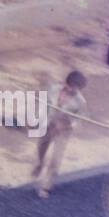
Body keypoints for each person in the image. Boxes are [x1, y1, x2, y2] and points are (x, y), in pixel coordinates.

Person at [32, 70, 87, 198]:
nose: (74, 91)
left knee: (56, 160)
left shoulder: (80, 102)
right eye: (72, 87)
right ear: (66, 83)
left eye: (77, 89)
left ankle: (46, 186)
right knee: (41, 150)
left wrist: (67, 125)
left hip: (63, 132)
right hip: (48, 126)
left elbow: (78, 121)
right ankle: (39, 165)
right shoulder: (53, 89)